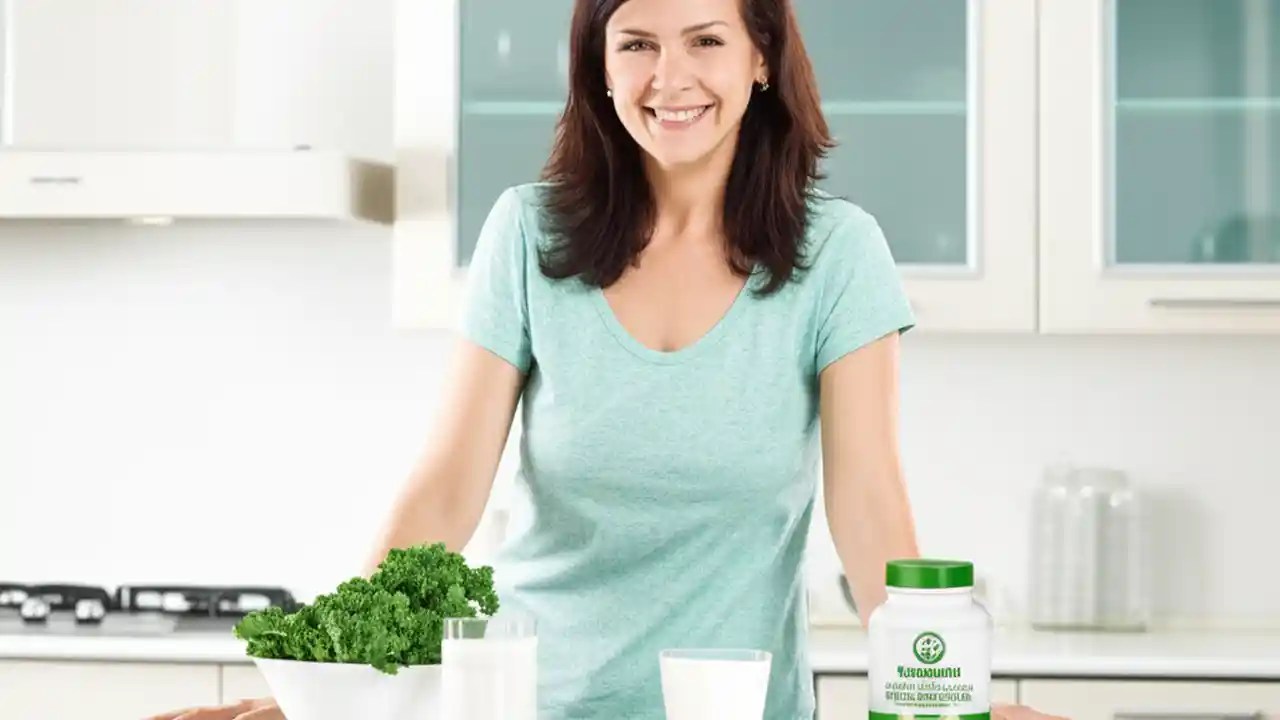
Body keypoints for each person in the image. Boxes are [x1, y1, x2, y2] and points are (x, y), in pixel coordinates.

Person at [150, 0, 1068, 718]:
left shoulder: (839, 253)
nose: (669, 76)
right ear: (599, 67)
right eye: (635, 44)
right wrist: (333, 691)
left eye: (704, 40)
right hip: (526, 706)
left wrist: (947, 696)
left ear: (760, 60)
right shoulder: (527, 233)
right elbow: (445, 494)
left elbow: (869, 507)